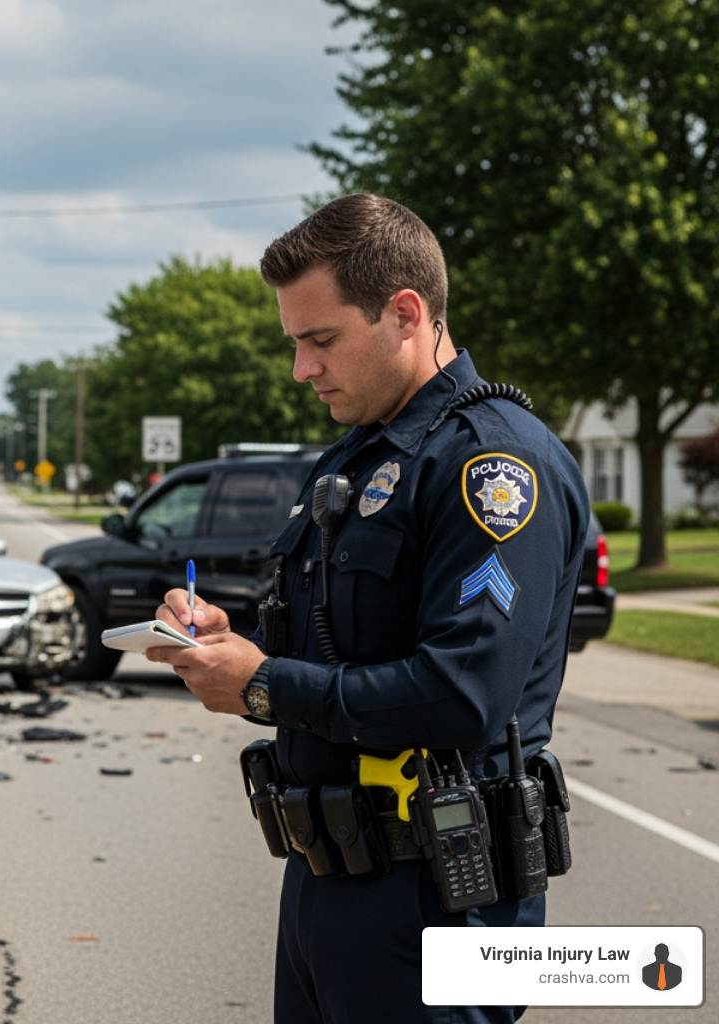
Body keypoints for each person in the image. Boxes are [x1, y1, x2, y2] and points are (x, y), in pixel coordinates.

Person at [146, 193, 588, 1023]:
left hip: (442, 894)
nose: (301, 369)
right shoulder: (359, 457)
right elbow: (333, 652)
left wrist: (267, 685)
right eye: (295, 343)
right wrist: (228, 646)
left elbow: (463, 694)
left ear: (406, 313)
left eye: (321, 340)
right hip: (327, 880)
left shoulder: (493, 465)